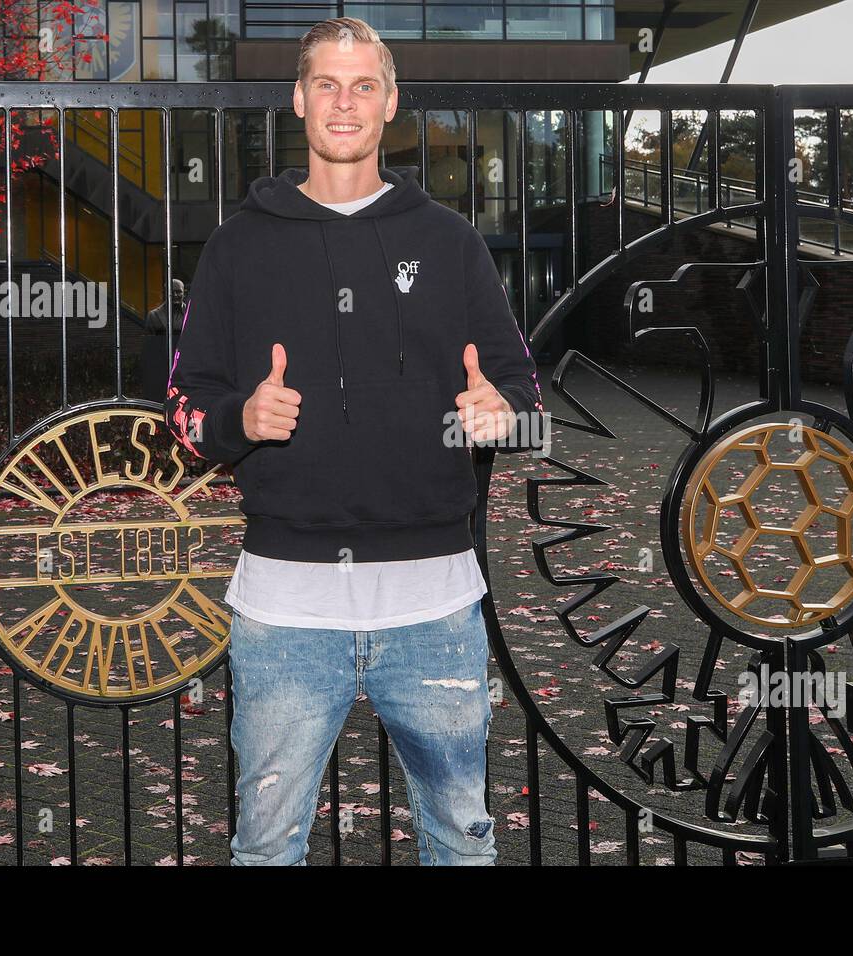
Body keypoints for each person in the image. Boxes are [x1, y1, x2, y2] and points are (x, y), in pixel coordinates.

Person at [164, 16, 545, 866]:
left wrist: (502, 414)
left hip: (436, 608)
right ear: (299, 100)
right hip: (284, 611)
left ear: (391, 102)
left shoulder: (448, 242)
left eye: (363, 84)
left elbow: (524, 389)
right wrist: (239, 423)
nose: (345, 102)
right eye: (327, 84)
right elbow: (186, 408)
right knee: (265, 851)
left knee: (462, 844)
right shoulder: (236, 245)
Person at [142, 277, 185, 403]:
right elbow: (149, 350)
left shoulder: (192, 315)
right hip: (162, 370)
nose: (176, 295)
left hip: (185, 370)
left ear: (184, 292)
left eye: (179, 291)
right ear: (166, 293)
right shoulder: (154, 316)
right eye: (173, 292)